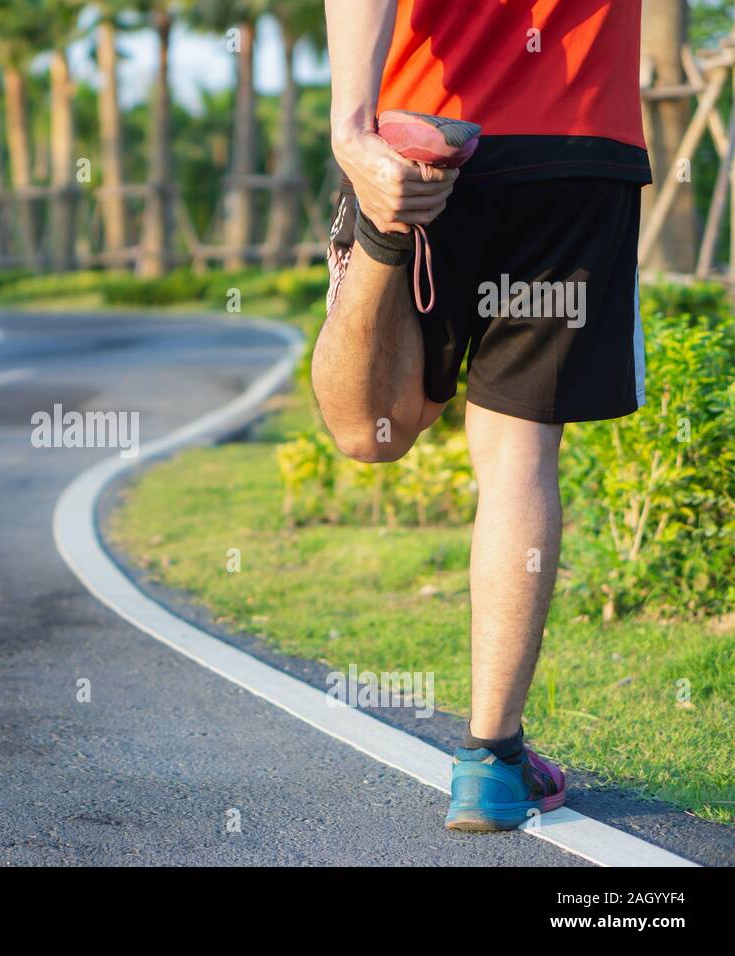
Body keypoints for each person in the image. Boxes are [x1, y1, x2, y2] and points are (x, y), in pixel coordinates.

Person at [319, 0, 651, 832]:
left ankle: (386, 234)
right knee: (517, 451)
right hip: (576, 147)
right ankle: (491, 764)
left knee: (372, 434)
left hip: (427, 133)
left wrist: (350, 130)